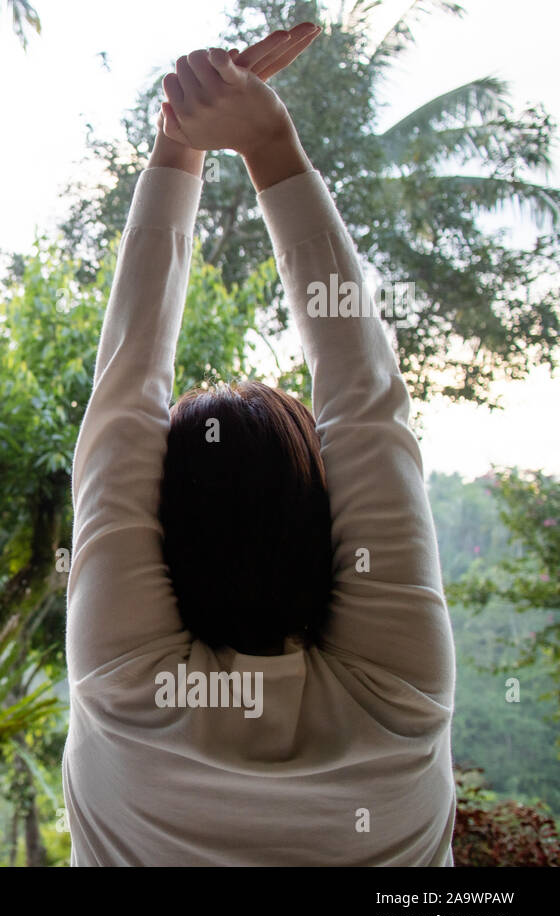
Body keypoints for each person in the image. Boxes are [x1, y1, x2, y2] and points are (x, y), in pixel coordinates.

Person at [60, 24, 457, 865]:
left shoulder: (129, 689)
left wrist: (217, 143)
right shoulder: (399, 695)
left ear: (166, 532)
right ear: (320, 523)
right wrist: (252, 143)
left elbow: (361, 402)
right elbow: (130, 401)